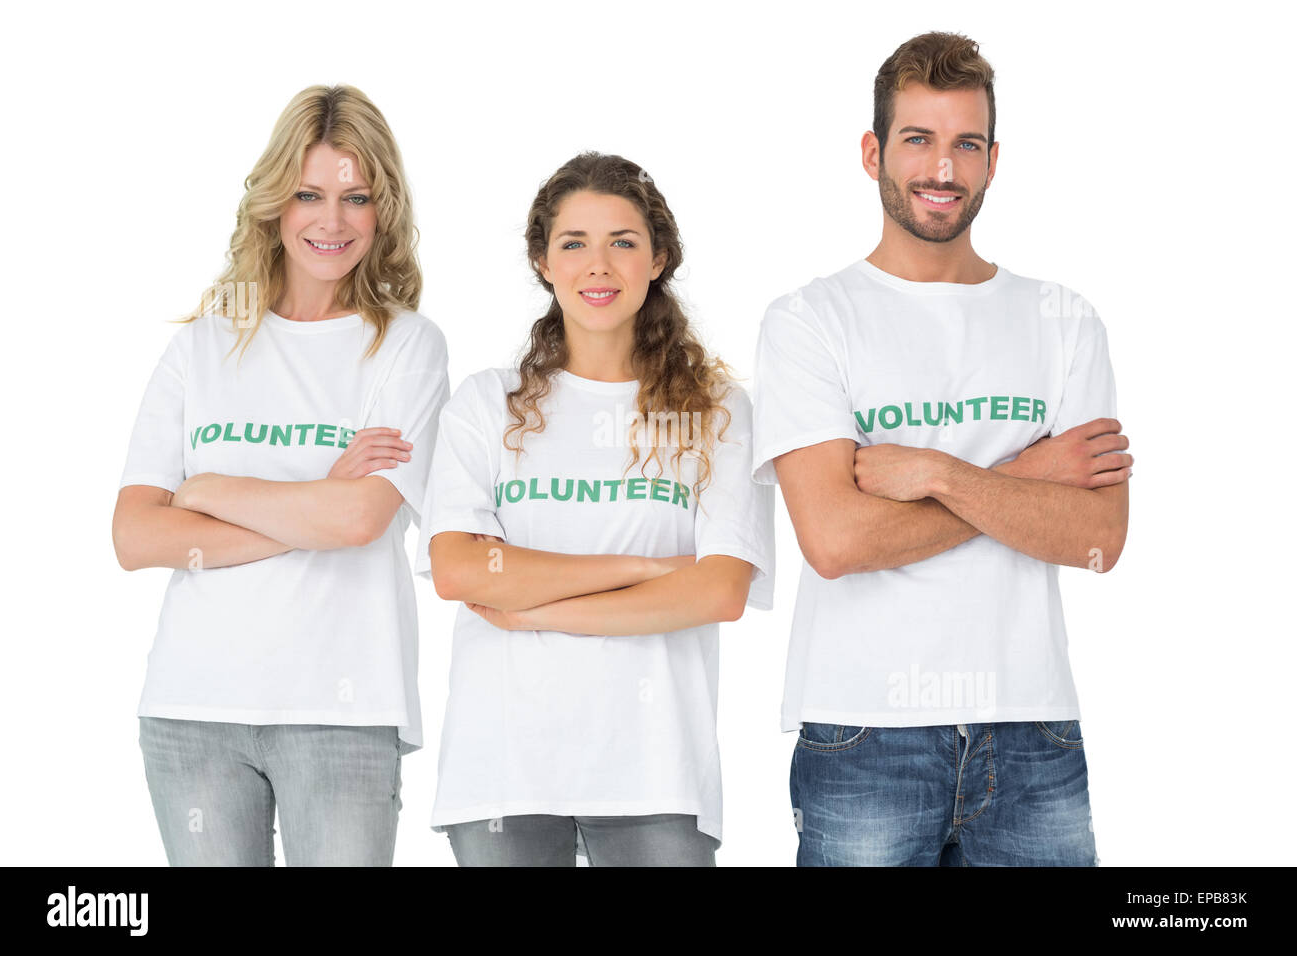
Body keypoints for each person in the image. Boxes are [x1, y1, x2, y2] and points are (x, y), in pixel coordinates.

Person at [751, 32, 1133, 866]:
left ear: (994, 160)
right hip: (865, 735)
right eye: (918, 139)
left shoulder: (1063, 320)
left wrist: (929, 472)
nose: (942, 170)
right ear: (872, 152)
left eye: (966, 144)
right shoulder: (810, 320)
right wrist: (1031, 477)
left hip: (1033, 730)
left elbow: (1097, 539)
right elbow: (838, 541)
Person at [112, 85, 449, 866]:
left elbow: (358, 522)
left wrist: (203, 493)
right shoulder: (203, 345)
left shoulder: (407, 347)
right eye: (308, 194)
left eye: (355, 197)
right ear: (273, 202)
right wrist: (313, 499)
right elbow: (134, 536)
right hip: (192, 710)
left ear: (382, 210)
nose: (331, 221)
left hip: (344, 710)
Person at [415, 151, 774, 866]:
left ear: (659, 257)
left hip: (656, 772)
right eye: (574, 243)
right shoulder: (486, 406)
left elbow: (721, 589)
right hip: (505, 771)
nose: (598, 266)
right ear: (543, 262)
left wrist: (535, 608)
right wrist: (644, 568)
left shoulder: (717, 411)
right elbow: (458, 569)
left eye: (623, 242)